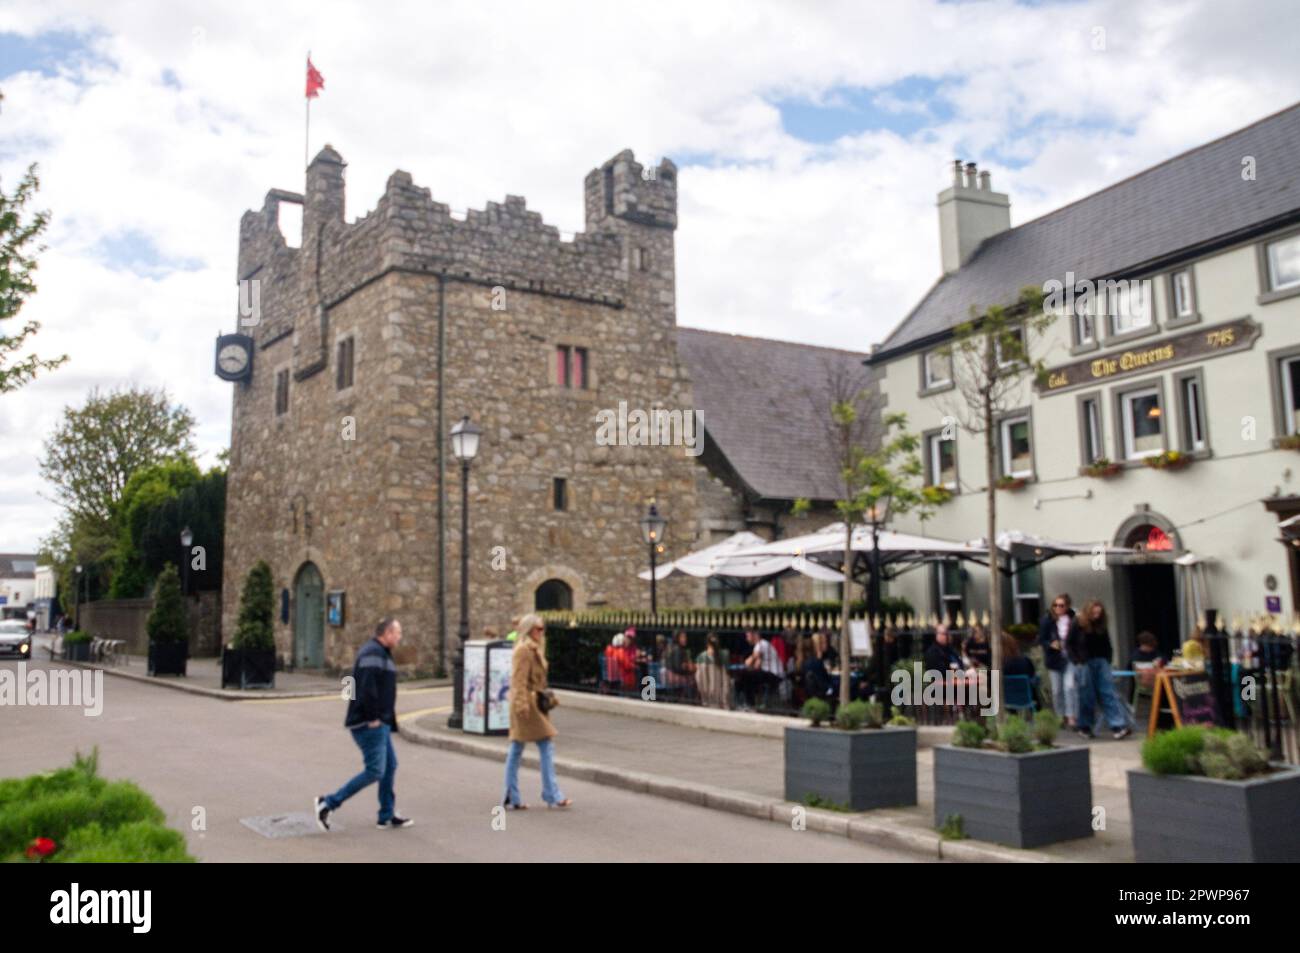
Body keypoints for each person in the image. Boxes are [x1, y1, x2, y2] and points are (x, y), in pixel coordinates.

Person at [315, 617, 412, 831]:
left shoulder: (379, 652)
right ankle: (328, 803)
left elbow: (364, 686)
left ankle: (386, 815)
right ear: (387, 633)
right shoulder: (373, 653)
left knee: (390, 766)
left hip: (380, 722)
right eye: (398, 633)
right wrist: (372, 717)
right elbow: (367, 688)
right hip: (370, 724)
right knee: (375, 770)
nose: (400, 637)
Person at [502, 614, 570, 809]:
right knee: (543, 745)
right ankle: (551, 794)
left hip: (535, 703)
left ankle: (512, 796)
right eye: (538, 629)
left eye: (542, 628)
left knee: (517, 748)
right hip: (526, 703)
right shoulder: (524, 650)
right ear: (529, 629)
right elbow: (518, 681)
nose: (541, 632)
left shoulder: (535, 648)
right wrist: (521, 705)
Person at [1074, 600, 1132, 740]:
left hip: (1101, 661)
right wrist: (1077, 660)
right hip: (1085, 662)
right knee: (1087, 695)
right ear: (1088, 612)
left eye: (1099, 613)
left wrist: (1108, 659)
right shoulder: (1078, 624)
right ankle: (1085, 726)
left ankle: (1118, 726)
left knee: (1108, 692)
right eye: (1094, 613)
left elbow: (1107, 642)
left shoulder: (1101, 624)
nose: (1096, 615)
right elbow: (1070, 643)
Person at [1039, 593, 1081, 728]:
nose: (1058, 608)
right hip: (1054, 658)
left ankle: (1071, 716)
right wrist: (1050, 644)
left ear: (1067, 606)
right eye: (1055, 605)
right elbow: (1041, 639)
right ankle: (1060, 715)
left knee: (1069, 687)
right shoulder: (1047, 620)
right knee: (1057, 690)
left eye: (1061, 605)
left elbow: (1079, 637)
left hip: (1069, 657)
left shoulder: (1074, 619)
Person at [738, 629, 783, 708]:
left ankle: (749, 704)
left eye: (748, 636)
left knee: (746, 676)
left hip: (774, 674)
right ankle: (751, 702)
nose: (746, 639)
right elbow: (757, 665)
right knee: (748, 676)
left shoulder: (761, 644)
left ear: (755, 635)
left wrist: (747, 662)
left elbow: (749, 662)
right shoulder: (761, 644)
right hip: (772, 674)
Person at [694, 632, 732, 709]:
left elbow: (726, 678)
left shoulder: (723, 655)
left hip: (715, 696)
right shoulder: (702, 657)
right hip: (711, 696)